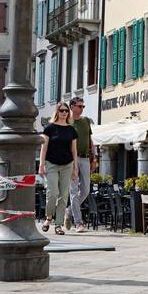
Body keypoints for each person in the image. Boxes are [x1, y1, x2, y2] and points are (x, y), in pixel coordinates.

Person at [38, 102, 78, 235]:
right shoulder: (49, 128)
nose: (64, 113)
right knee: (53, 193)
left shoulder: (71, 130)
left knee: (63, 196)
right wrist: (41, 164)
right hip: (51, 164)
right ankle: (49, 217)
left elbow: (74, 151)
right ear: (57, 112)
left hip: (67, 164)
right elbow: (44, 148)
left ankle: (58, 225)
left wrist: (75, 168)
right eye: (62, 110)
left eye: (66, 111)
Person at [68, 96, 95, 232]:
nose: (82, 109)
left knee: (86, 190)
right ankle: (78, 223)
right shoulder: (67, 122)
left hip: (85, 159)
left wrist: (94, 158)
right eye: (79, 106)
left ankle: (68, 211)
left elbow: (90, 139)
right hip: (72, 160)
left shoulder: (86, 121)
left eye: (83, 106)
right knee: (73, 191)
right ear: (72, 107)